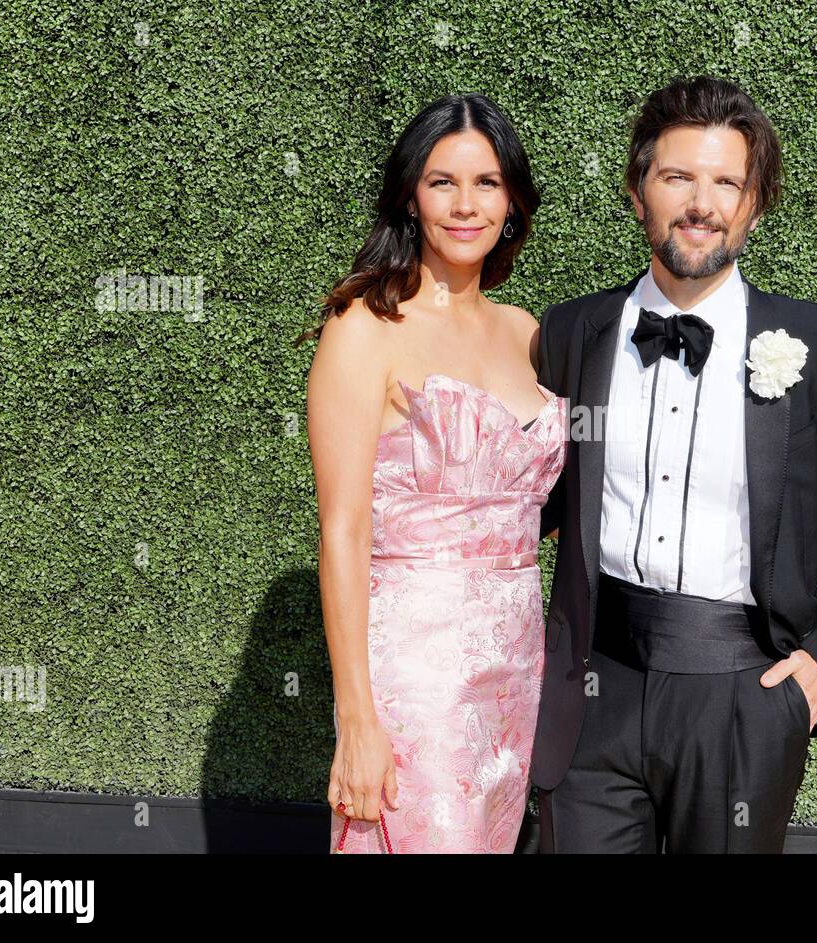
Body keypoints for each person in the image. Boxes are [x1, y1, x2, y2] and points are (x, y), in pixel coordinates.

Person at [532, 76, 817, 852]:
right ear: (637, 191)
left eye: (726, 182)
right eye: (676, 176)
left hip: (745, 696)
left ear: (753, 204)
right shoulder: (572, 331)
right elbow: (526, 500)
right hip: (593, 689)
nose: (700, 203)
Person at [300, 92, 567, 852]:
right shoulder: (363, 326)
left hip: (517, 668)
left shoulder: (527, 334)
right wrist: (357, 719)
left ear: (512, 201)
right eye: (442, 181)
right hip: (414, 674)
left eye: (486, 182)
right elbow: (343, 530)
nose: (465, 203)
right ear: (411, 198)